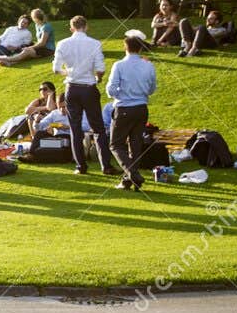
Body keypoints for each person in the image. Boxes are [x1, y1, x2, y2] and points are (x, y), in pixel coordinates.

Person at [52, 15, 113, 175]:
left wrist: (69, 72)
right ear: (86, 27)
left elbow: (56, 69)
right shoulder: (94, 43)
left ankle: (80, 166)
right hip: (88, 87)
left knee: (75, 128)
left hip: (72, 88)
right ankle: (106, 165)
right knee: (98, 127)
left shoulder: (63, 44)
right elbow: (100, 68)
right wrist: (98, 78)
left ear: (71, 28)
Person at [107, 33, 158, 191]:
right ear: (141, 47)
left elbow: (111, 89)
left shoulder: (119, 65)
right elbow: (151, 88)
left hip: (124, 107)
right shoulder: (148, 65)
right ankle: (130, 180)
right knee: (135, 145)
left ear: (125, 47)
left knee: (116, 145)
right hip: (141, 108)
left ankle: (133, 174)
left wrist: (120, 94)